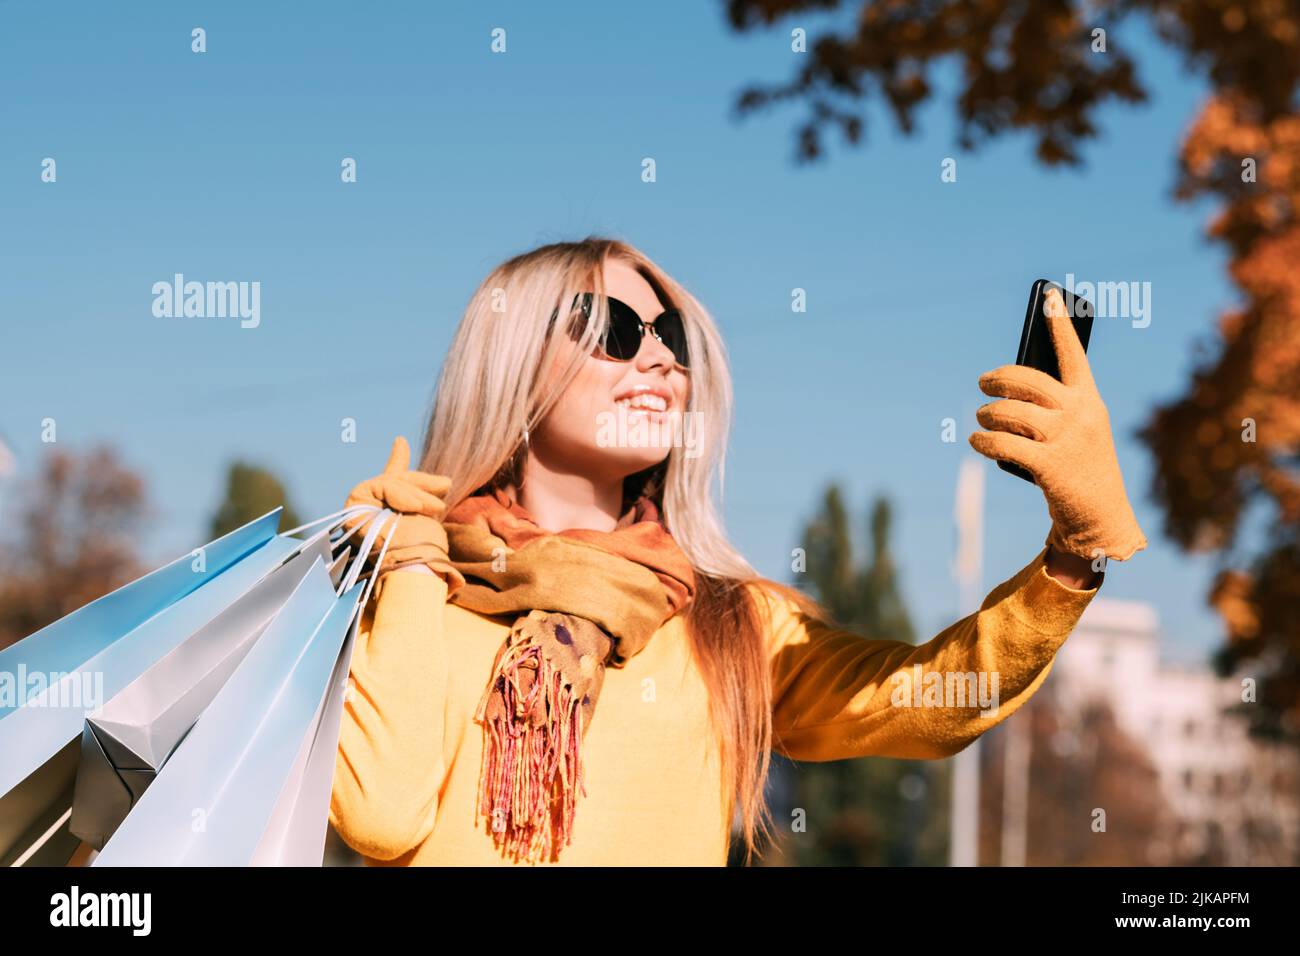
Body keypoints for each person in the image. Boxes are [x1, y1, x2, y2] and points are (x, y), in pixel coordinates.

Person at [328, 237, 1147, 867]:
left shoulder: (729, 621)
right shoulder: (412, 586)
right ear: (509, 361)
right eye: (611, 330)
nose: (658, 358)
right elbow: (382, 814)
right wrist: (407, 565)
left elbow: (933, 702)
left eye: (669, 334)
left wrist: (1078, 553)